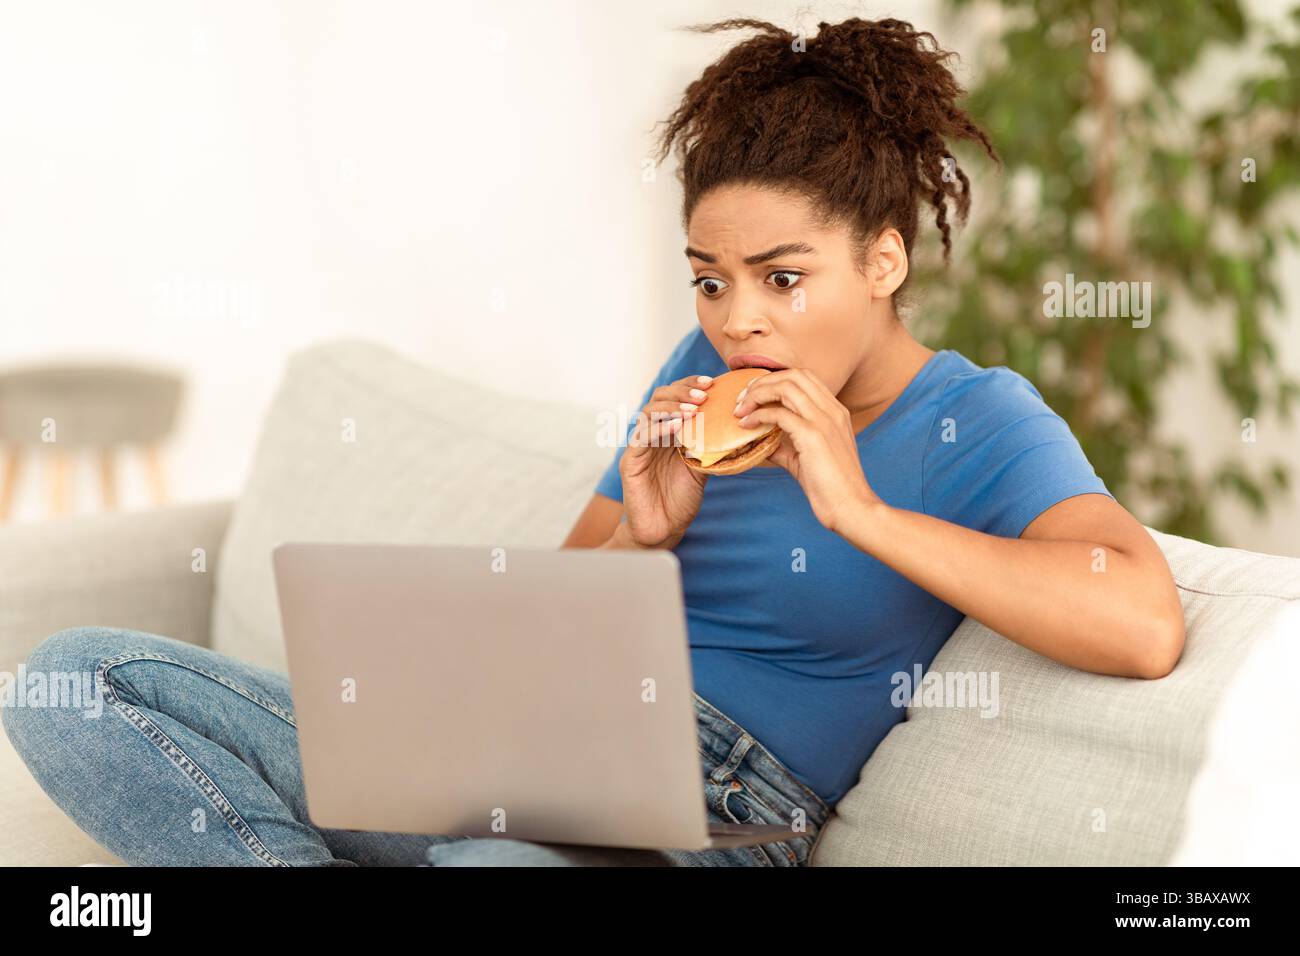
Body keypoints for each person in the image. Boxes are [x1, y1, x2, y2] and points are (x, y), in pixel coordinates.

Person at [2, 17, 1183, 868]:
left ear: (884, 260)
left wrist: (860, 510)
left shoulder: (978, 418)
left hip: (717, 807)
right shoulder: (696, 373)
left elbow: (1139, 617)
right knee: (73, 678)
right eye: (711, 280)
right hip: (535, 743)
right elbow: (551, 625)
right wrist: (642, 537)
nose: (739, 320)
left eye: (781, 277)